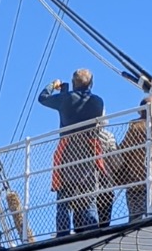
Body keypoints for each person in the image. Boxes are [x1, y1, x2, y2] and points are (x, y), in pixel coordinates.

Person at [38, 69, 105, 236]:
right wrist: (67, 93)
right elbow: (76, 107)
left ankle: (63, 235)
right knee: (89, 200)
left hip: (67, 153)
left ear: (73, 83)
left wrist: (53, 86)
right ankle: (92, 234)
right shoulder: (98, 102)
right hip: (89, 153)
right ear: (91, 83)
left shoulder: (65, 99)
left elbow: (43, 98)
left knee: (64, 201)